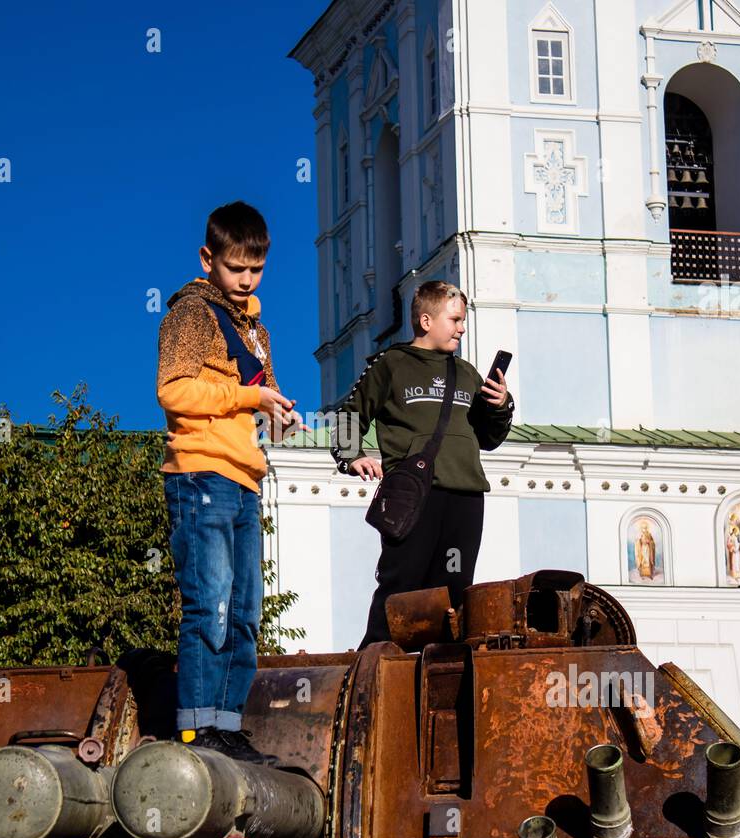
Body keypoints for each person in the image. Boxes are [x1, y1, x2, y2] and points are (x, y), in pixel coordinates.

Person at [156, 200, 301, 765]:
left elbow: (262, 409)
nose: (246, 279)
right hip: (200, 474)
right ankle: (195, 730)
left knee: (243, 611)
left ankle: (226, 725)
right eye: (236, 267)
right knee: (209, 606)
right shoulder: (190, 316)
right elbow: (174, 392)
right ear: (207, 258)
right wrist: (250, 397)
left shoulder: (256, 332)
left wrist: (278, 418)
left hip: (244, 478)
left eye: (256, 269)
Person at [331, 280, 515, 647]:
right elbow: (350, 414)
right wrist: (352, 457)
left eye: (463, 321)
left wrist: (501, 406)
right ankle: (376, 666)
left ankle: (440, 672)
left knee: (454, 591)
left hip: (465, 497)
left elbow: (489, 438)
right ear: (427, 320)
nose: (462, 328)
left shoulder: (466, 373)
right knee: (402, 585)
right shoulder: (391, 364)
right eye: (455, 320)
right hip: (413, 496)